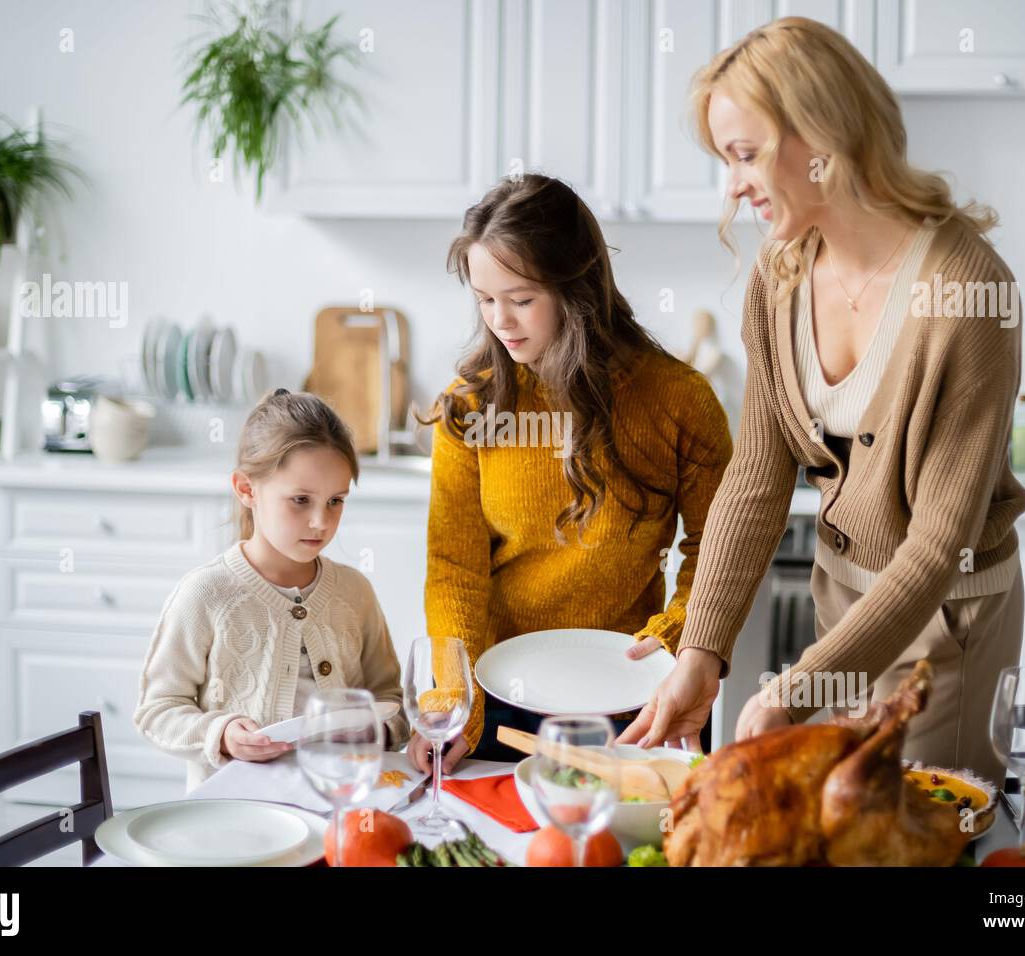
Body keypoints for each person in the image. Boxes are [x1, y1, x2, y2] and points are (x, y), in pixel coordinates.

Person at [620, 17, 1025, 786]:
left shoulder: (969, 290)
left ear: (823, 134)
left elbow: (939, 545)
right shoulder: (779, 277)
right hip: (842, 608)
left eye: (745, 154)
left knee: (926, 833)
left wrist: (798, 688)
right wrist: (701, 651)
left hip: (947, 625)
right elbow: (756, 480)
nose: (733, 184)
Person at [412, 173, 733, 773]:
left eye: (522, 298)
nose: (500, 320)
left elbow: (716, 549)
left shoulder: (679, 399)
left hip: (640, 697)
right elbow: (454, 570)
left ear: (577, 287)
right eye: (485, 299)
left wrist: (677, 639)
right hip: (499, 697)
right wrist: (456, 700)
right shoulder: (470, 408)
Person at [134, 388, 410, 790]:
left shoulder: (355, 592)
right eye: (300, 500)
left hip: (340, 799)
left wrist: (378, 733)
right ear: (247, 490)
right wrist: (223, 734)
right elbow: (156, 711)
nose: (321, 521)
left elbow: (391, 700)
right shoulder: (206, 594)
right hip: (236, 812)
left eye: (335, 501)